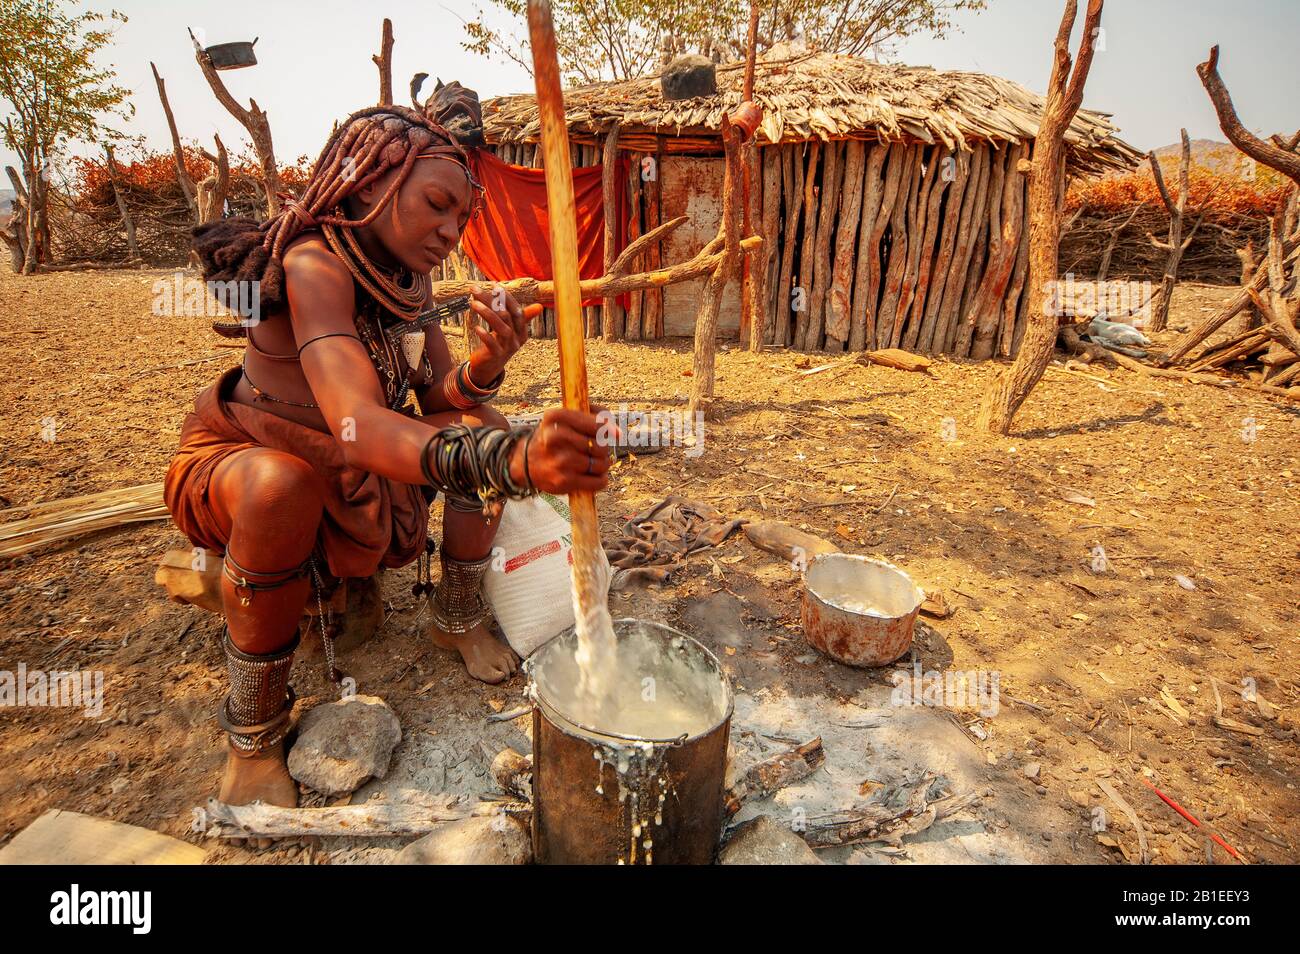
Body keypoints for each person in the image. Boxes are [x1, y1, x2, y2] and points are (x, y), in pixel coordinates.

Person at [163, 105, 612, 810]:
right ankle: (252, 736)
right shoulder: (313, 264)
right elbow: (353, 424)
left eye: (460, 219)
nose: (449, 232)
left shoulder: (408, 282)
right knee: (282, 487)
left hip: (354, 461)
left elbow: (439, 391)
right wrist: (514, 459)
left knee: (476, 421)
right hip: (256, 453)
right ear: (369, 183)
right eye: (437, 205)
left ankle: (456, 617)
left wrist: (486, 366)